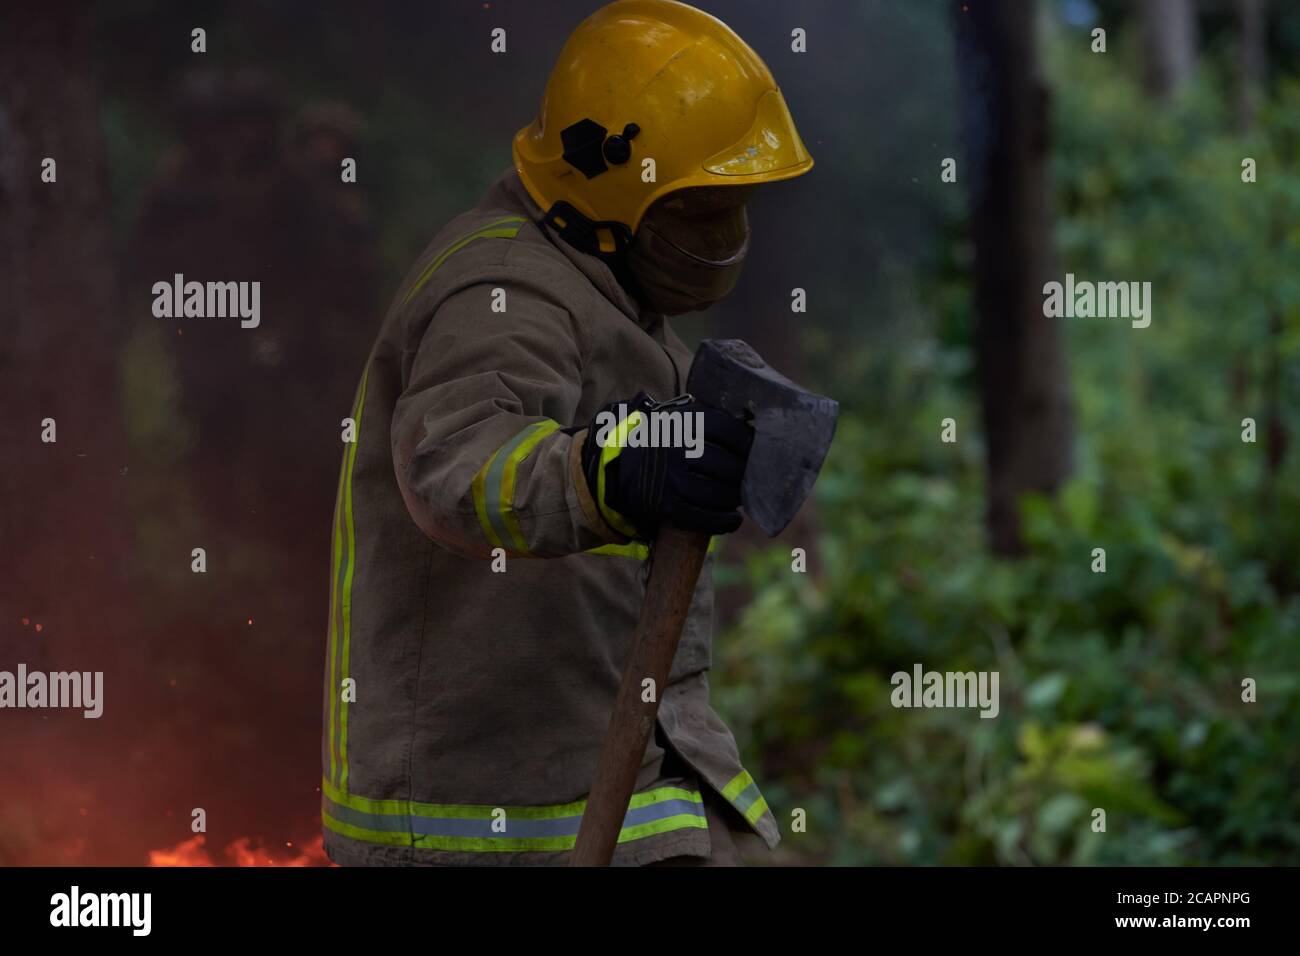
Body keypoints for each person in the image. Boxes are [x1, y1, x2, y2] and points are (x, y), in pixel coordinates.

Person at [321, 0, 812, 866]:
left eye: (736, 205)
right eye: (701, 208)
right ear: (611, 187)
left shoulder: (610, 294)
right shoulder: (505, 290)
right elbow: (454, 462)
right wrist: (611, 472)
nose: (726, 236)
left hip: (614, 776)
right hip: (488, 818)